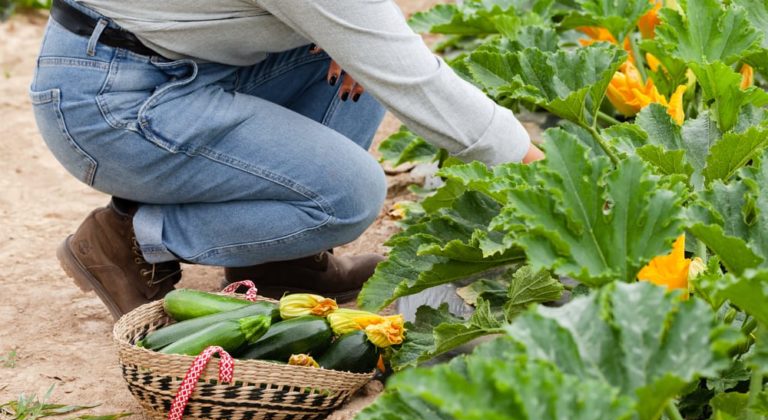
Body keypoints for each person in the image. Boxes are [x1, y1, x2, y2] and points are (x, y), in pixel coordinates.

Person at [30, 0, 544, 320]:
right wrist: (548, 177)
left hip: (177, 66)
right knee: (350, 195)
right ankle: (132, 238)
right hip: (107, 104)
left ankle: (279, 262)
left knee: (350, 59)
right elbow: (417, 81)